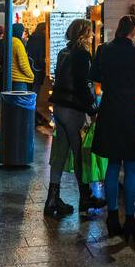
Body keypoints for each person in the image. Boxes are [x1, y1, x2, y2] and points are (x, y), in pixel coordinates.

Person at [89, 15, 135, 241]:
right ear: (134, 30)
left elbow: (94, 76)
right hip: (129, 112)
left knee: (113, 166)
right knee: (132, 169)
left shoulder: (103, 50)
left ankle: (112, 218)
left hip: (109, 111)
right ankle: (131, 223)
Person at [45, 18, 106, 218]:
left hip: (60, 107)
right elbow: (84, 84)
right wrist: (93, 108)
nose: (93, 36)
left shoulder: (63, 52)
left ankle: (52, 199)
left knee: (60, 153)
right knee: (78, 153)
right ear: (83, 34)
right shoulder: (83, 55)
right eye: (90, 32)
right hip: (72, 110)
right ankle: (85, 197)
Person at [9, 22, 34, 91]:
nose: (25, 35)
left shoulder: (10, 41)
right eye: (23, 32)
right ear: (19, 32)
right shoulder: (18, 43)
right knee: (21, 100)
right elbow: (23, 64)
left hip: (11, 78)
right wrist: (32, 75)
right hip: (19, 80)